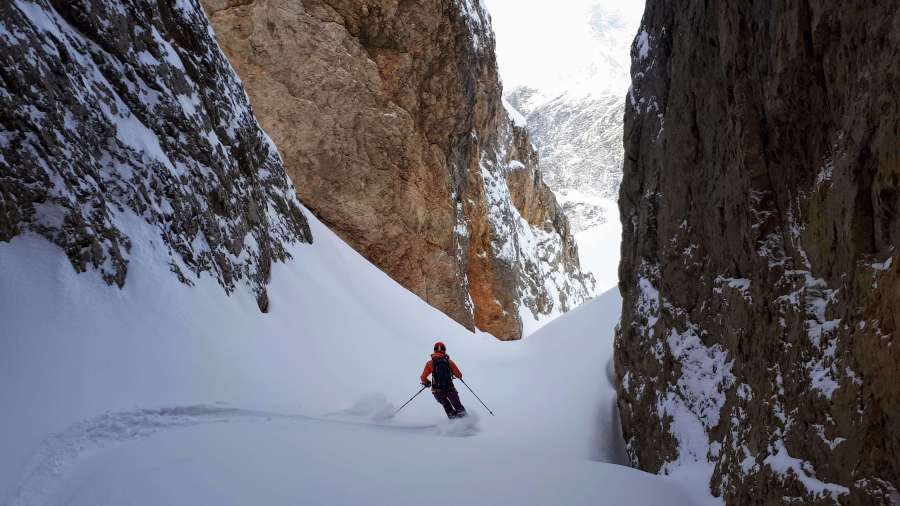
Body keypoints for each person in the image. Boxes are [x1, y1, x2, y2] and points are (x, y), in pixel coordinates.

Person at [420, 341, 467, 419]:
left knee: (447, 406)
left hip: (437, 391)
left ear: (434, 350)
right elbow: (459, 375)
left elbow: (422, 378)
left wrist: (427, 383)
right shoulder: (449, 362)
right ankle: (466, 422)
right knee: (457, 405)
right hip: (450, 388)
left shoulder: (430, 363)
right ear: (444, 350)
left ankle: (454, 423)